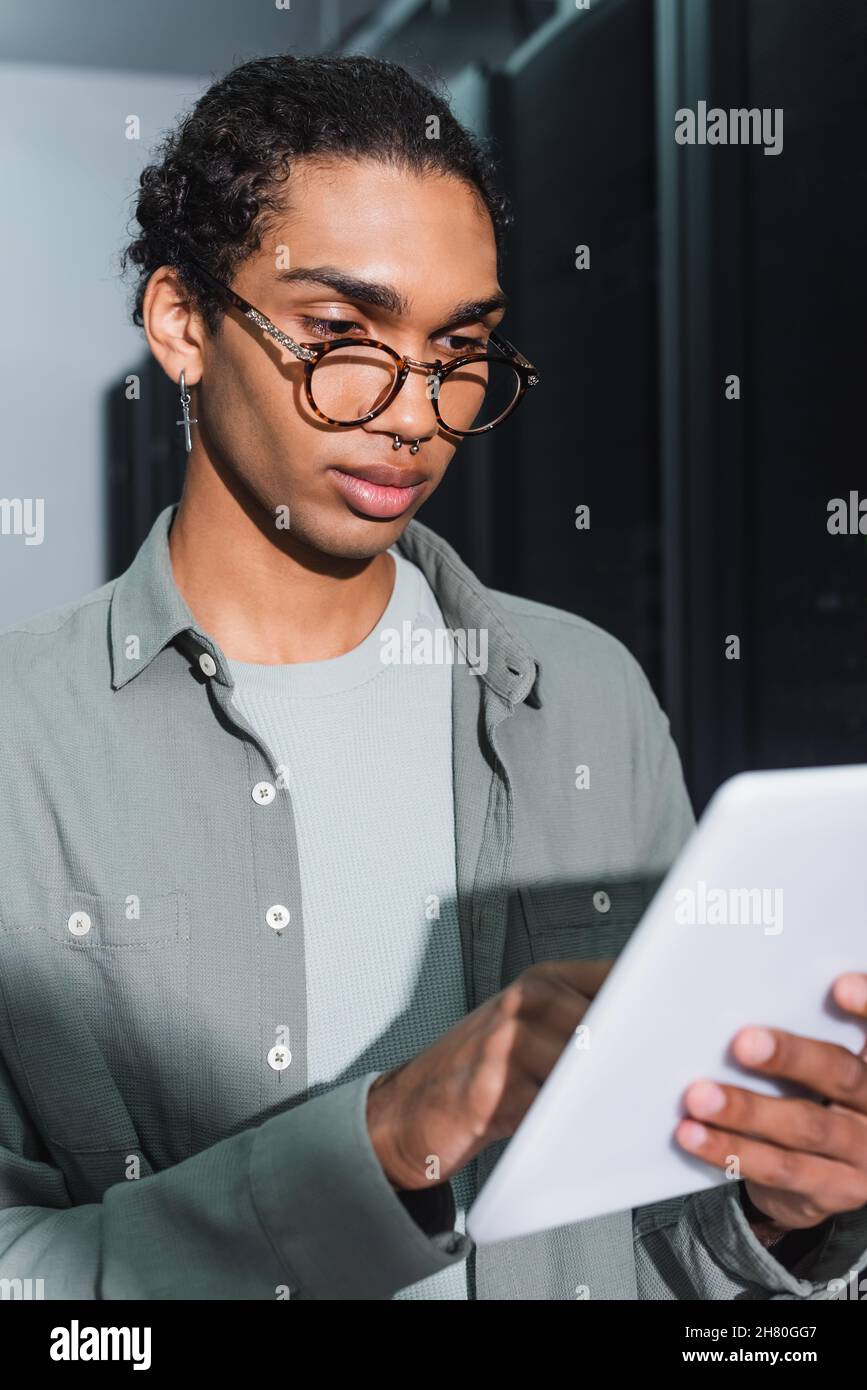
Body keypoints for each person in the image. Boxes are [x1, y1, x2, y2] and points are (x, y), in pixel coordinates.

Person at [1, 53, 866, 1301]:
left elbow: (662, 1238)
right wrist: (384, 1141)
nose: (414, 411)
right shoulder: (25, 742)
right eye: (344, 336)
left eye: (458, 347)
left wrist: (783, 1217)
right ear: (182, 323)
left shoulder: (586, 695)